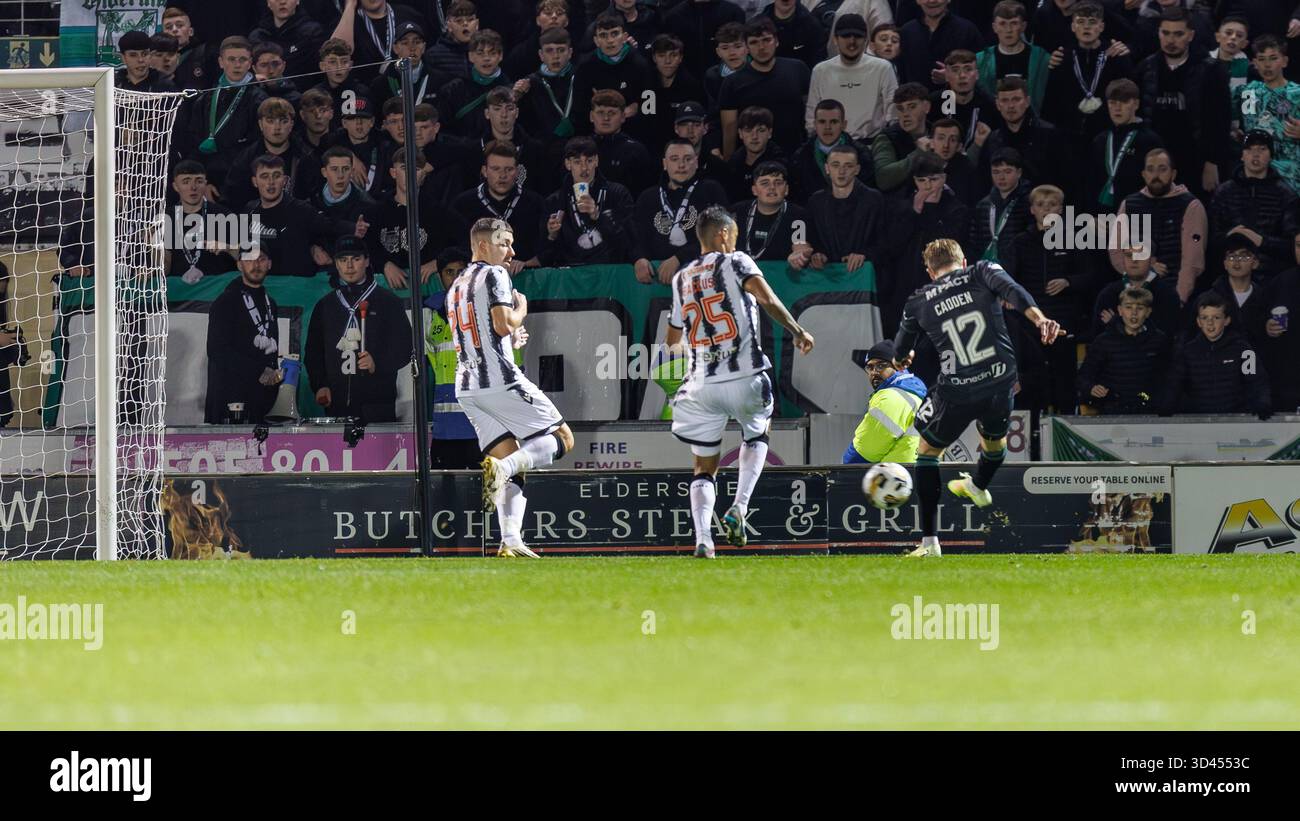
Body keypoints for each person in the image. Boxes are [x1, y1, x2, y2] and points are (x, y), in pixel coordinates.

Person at [892, 238, 1064, 558]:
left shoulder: (917, 301)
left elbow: (900, 349)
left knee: (927, 452)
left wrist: (903, 358)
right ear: (963, 260)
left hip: (957, 391)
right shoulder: (981, 271)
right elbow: (1014, 291)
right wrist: (1040, 319)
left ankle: (930, 543)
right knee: (994, 445)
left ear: (930, 272)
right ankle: (978, 485)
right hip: (1000, 382)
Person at [664, 206, 815, 558]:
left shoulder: (681, 278)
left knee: (703, 468)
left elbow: (672, 342)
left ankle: (704, 539)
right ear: (722, 235)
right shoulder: (736, 262)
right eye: (731, 236)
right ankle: (740, 507)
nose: (733, 242)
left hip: (701, 385)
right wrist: (797, 330)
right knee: (758, 432)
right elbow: (767, 298)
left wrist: (703, 347)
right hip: (745, 376)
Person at [458, 218, 576, 558]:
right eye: (504, 243)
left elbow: (483, 334)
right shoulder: (495, 274)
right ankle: (501, 469)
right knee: (563, 439)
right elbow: (502, 322)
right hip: (499, 381)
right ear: (483, 246)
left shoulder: (459, 283)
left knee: (514, 455)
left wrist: (511, 337)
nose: (512, 251)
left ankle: (509, 541)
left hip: (467, 387)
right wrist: (521, 311)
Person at [304, 235, 414, 423]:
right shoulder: (325, 305)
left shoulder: (388, 302)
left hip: (379, 402)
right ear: (336, 264)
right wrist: (320, 385)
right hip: (336, 404)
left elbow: (405, 348)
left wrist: (377, 362)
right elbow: (313, 352)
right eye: (343, 260)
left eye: (355, 259)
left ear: (367, 261)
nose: (349, 266)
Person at [1161, 290, 1271, 416]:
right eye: (1204, 317)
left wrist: (1262, 405)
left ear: (1227, 320)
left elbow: (1257, 382)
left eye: (1216, 317)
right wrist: (1166, 408)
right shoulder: (1187, 351)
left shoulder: (1243, 349)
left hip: (1236, 420)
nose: (1210, 322)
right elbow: (1174, 384)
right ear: (1198, 321)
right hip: (1198, 422)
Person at [204, 249, 282, 424]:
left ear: (269, 264)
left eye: (261, 259)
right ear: (239, 265)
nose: (255, 265)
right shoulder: (226, 301)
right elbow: (216, 351)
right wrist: (259, 369)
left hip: (261, 398)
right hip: (230, 399)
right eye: (249, 260)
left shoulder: (271, 304)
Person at [1076, 284, 1171, 415]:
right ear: (1120, 310)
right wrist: (1091, 388)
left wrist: (1155, 401)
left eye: (1140, 308)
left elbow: (1167, 378)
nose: (1134, 313)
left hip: (1148, 408)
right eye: (1128, 307)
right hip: (1110, 409)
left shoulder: (1159, 340)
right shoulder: (1104, 341)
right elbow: (1083, 377)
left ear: (1148, 312)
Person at [806, 13, 897, 141]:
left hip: (873, 145)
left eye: (858, 36)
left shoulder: (883, 68)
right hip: (832, 148)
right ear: (835, 39)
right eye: (846, 36)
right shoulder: (820, 71)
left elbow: (893, 115)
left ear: (866, 40)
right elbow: (811, 119)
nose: (852, 42)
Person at [842, 340, 927, 464]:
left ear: (899, 367)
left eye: (881, 365)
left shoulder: (891, 397)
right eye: (869, 367)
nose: (874, 372)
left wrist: (845, 466)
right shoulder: (915, 394)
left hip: (891, 478)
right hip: (910, 475)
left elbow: (864, 452)